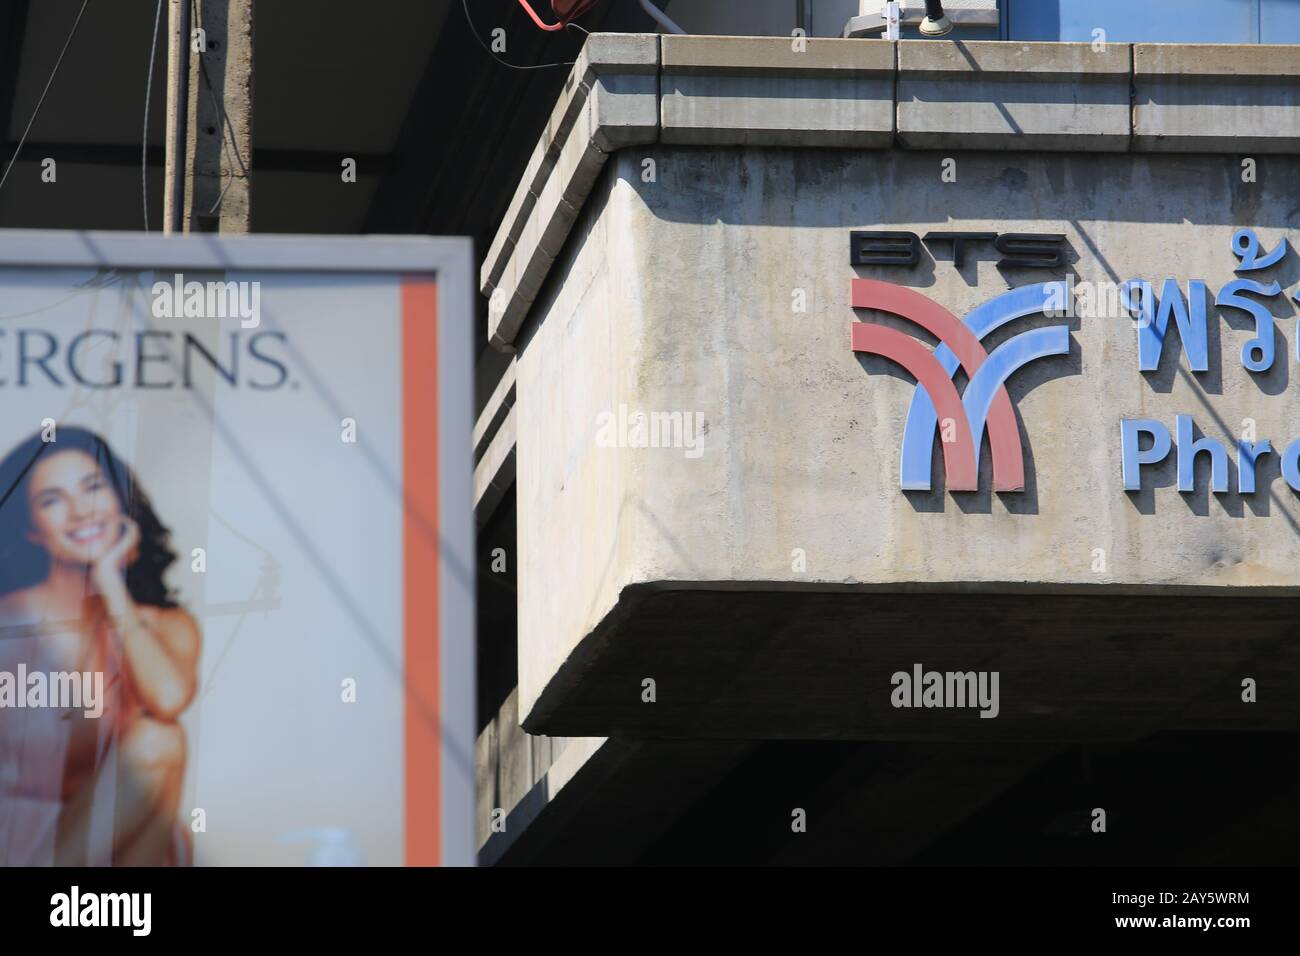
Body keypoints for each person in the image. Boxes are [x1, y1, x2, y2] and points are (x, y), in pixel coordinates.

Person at [0, 426, 200, 866]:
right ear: (33, 530)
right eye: (52, 500)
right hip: (13, 835)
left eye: (92, 488)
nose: (80, 512)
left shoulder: (163, 625)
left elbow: (168, 700)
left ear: (121, 502)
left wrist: (111, 583)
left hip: (119, 836)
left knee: (161, 741)